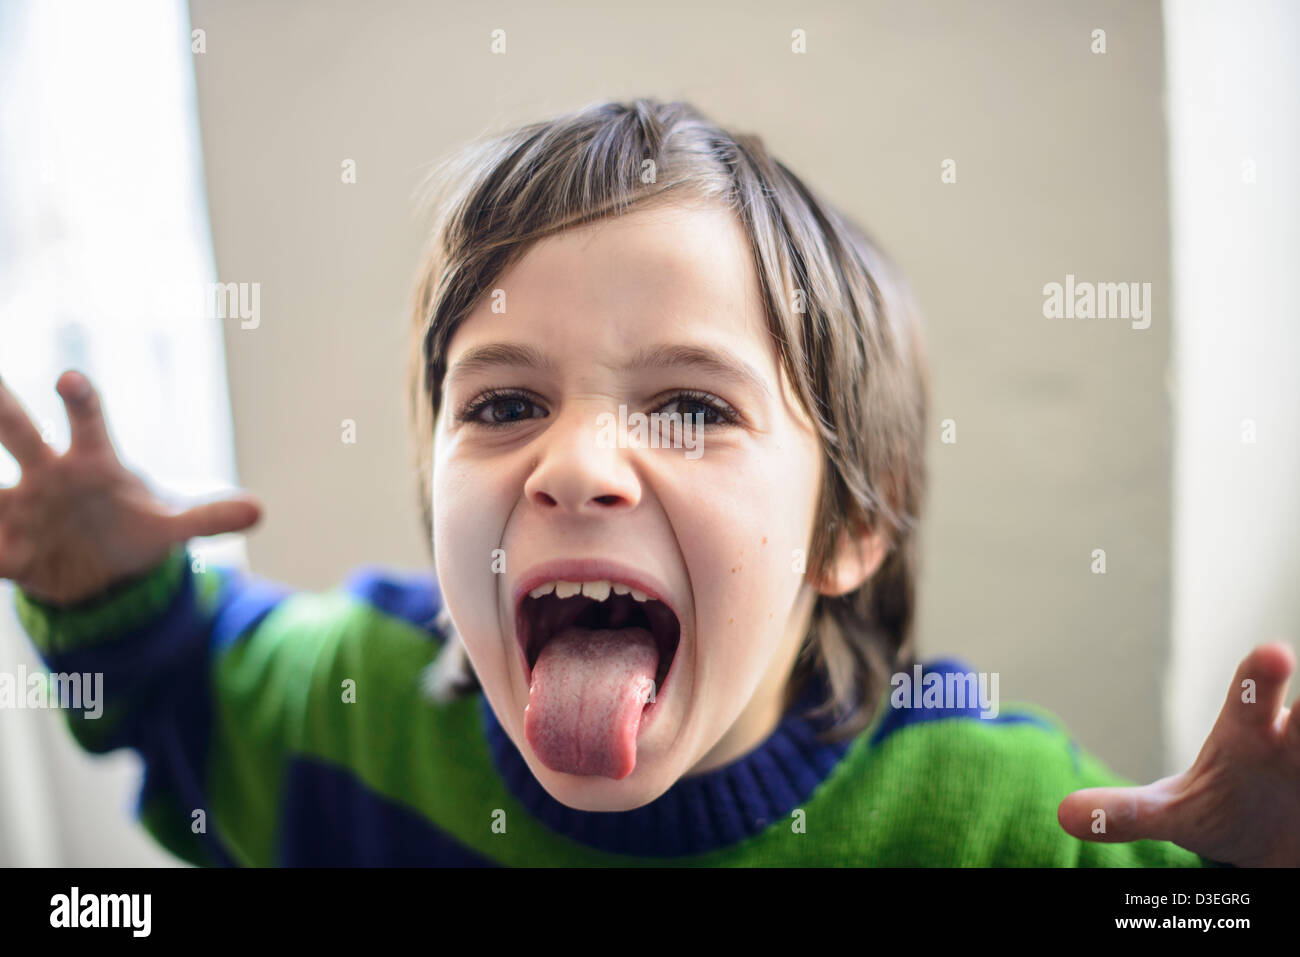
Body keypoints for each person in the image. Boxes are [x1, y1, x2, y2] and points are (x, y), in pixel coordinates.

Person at [4, 99, 1297, 865]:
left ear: (848, 523)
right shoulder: (358, 708)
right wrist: (107, 600)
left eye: (688, 405)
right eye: (504, 403)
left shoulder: (997, 820)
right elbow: (176, 701)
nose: (570, 464)